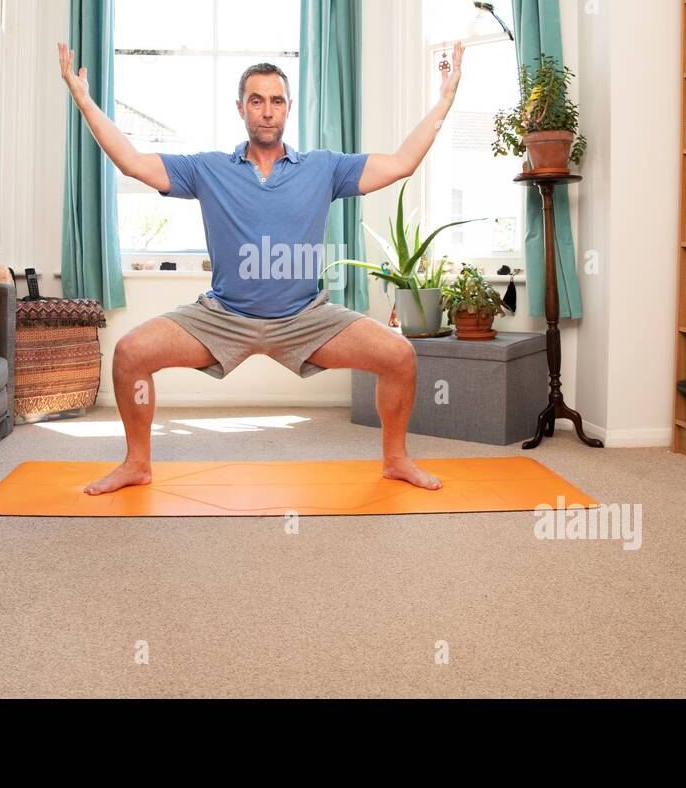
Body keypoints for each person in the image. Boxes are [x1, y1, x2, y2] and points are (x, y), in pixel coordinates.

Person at [56, 40, 464, 494]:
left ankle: (396, 459)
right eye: (256, 100)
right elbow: (132, 163)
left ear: (288, 108)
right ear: (241, 108)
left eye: (276, 101)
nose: (267, 111)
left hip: (306, 319)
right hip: (224, 316)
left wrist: (444, 99)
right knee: (130, 353)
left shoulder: (323, 167)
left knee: (399, 356)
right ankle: (137, 463)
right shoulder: (207, 168)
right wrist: (85, 101)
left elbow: (402, 163)